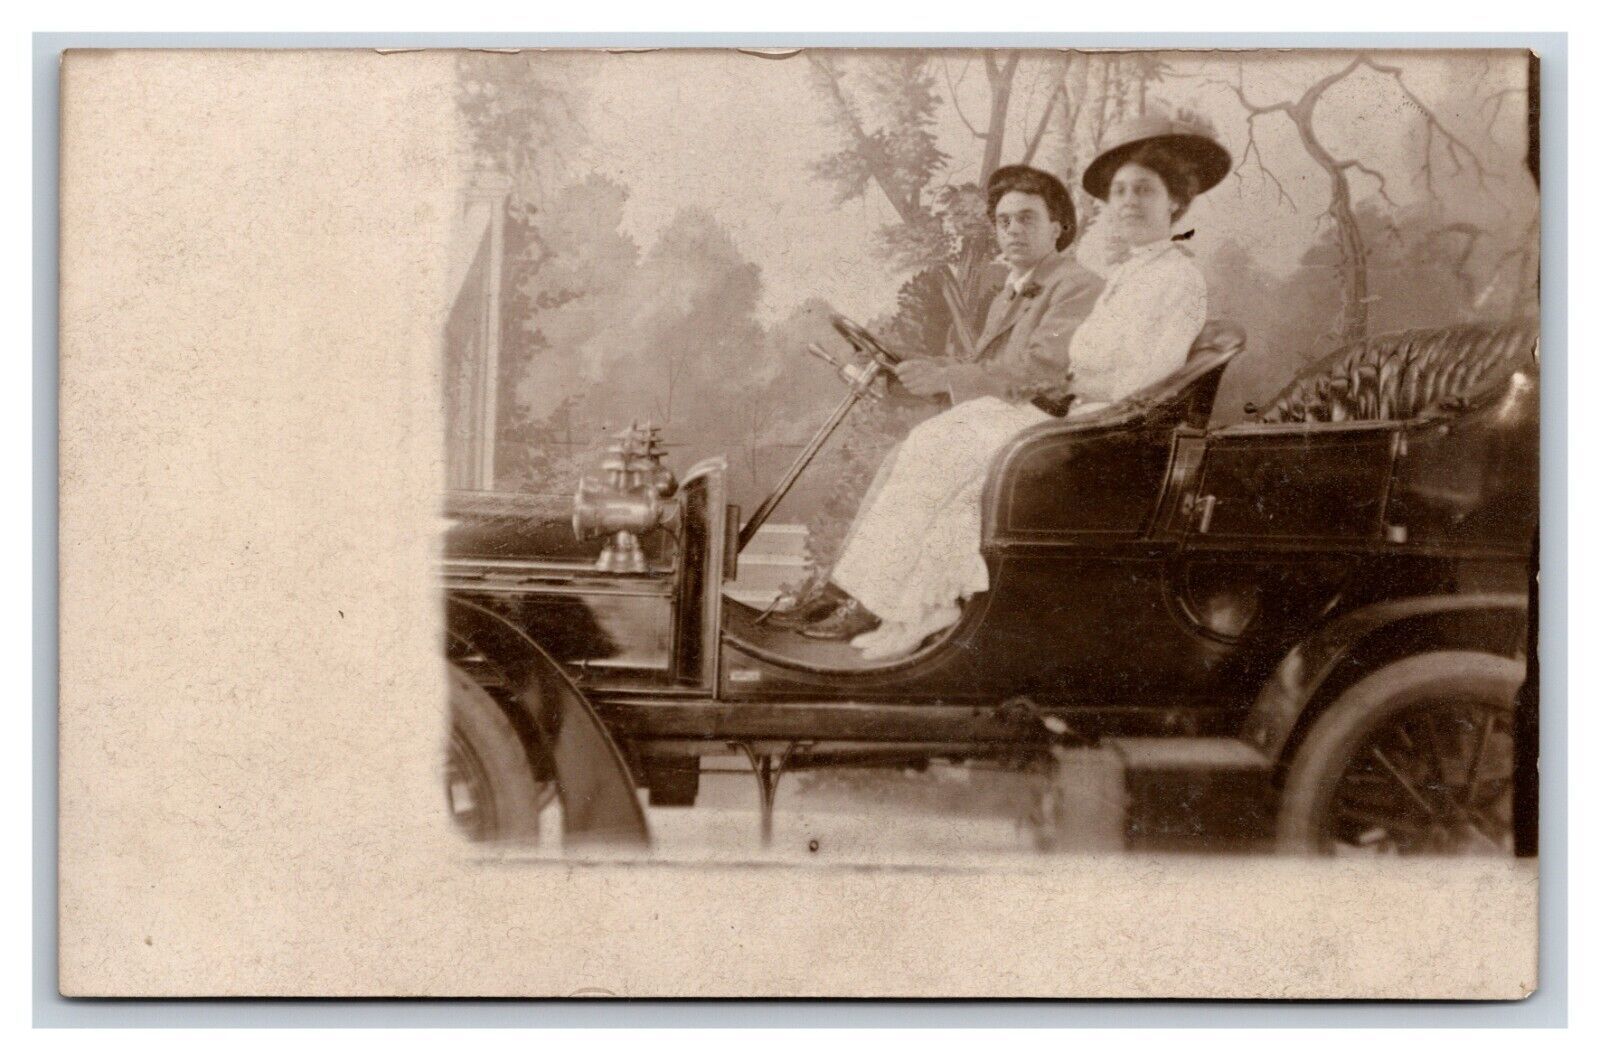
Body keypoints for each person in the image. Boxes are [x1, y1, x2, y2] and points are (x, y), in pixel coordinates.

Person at [800, 114, 1230, 659]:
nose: (1126, 202)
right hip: (1078, 412)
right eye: (1118, 191)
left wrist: (1070, 403)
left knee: (945, 446)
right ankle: (899, 606)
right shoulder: (1132, 274)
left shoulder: (1175, 278)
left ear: (1176, 202)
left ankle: (916, 607)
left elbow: (1146, 384)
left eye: (1144, 191)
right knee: (937, 441)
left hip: (1104, 433)